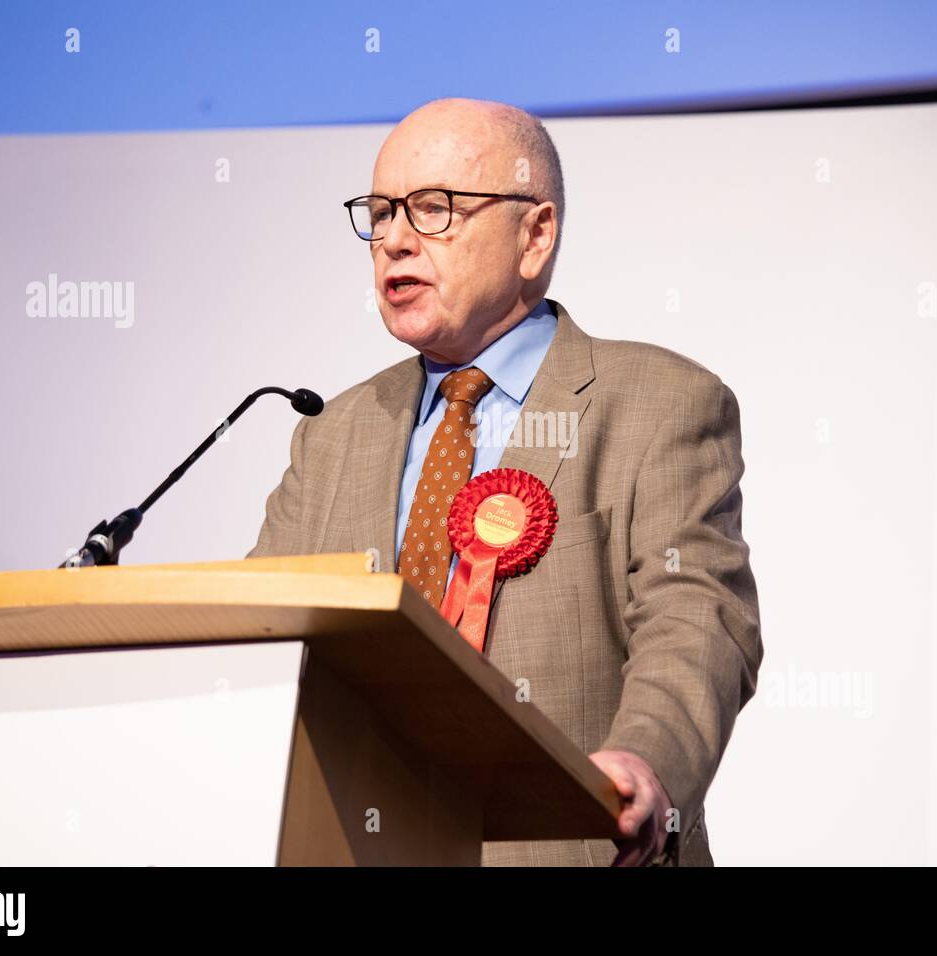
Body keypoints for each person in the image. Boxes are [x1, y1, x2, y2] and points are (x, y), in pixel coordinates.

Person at [250, 97, 761, 866]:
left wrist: (645, 761)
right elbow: (261, 638)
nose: (394, 240)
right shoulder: (334, 432)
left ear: (535, 235)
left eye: (433, 208)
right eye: (381, 213)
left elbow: (698, 618)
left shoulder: (659, 403)